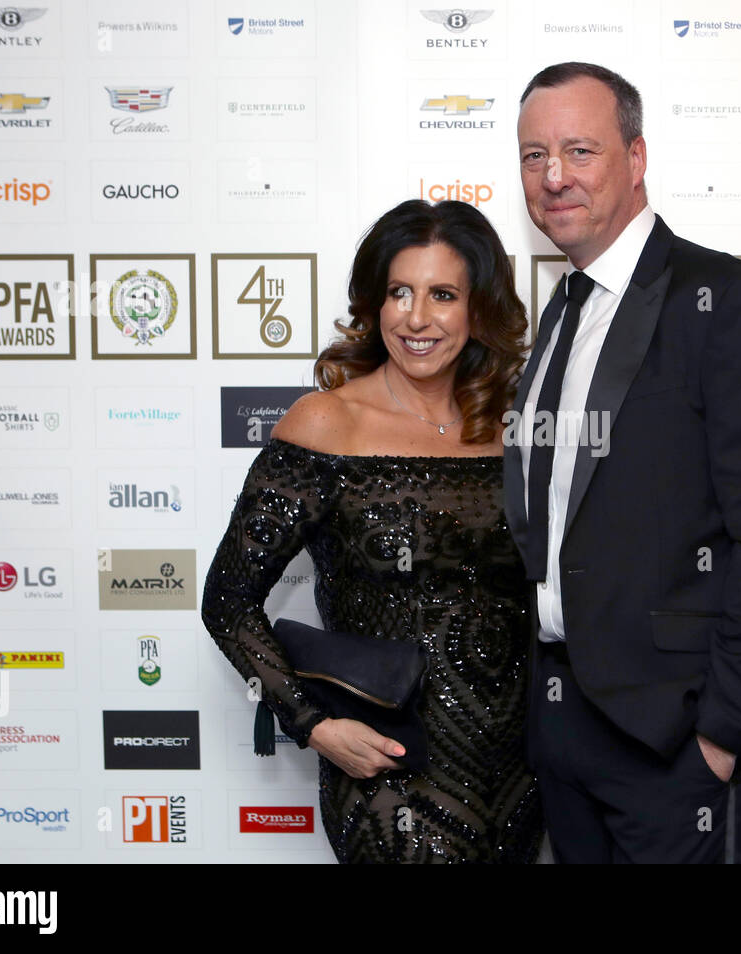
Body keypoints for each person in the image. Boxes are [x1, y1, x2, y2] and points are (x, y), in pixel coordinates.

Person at [508, 62, 741, 863]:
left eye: (579, 150)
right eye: (534, 156)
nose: (554, 176)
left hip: (676, 741)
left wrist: (723, 734)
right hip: (564, 730)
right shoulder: (563, 313)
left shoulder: (729, 304)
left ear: (637, 157)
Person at [202, 198, 542, 863]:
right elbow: (228, 601)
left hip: (519, 771)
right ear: (375, 303)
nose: (416, 318)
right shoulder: (328, 424)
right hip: (390, 767)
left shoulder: (515, 426)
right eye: (399, 292)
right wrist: (313, 724)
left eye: (443, 295)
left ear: (478, 308)